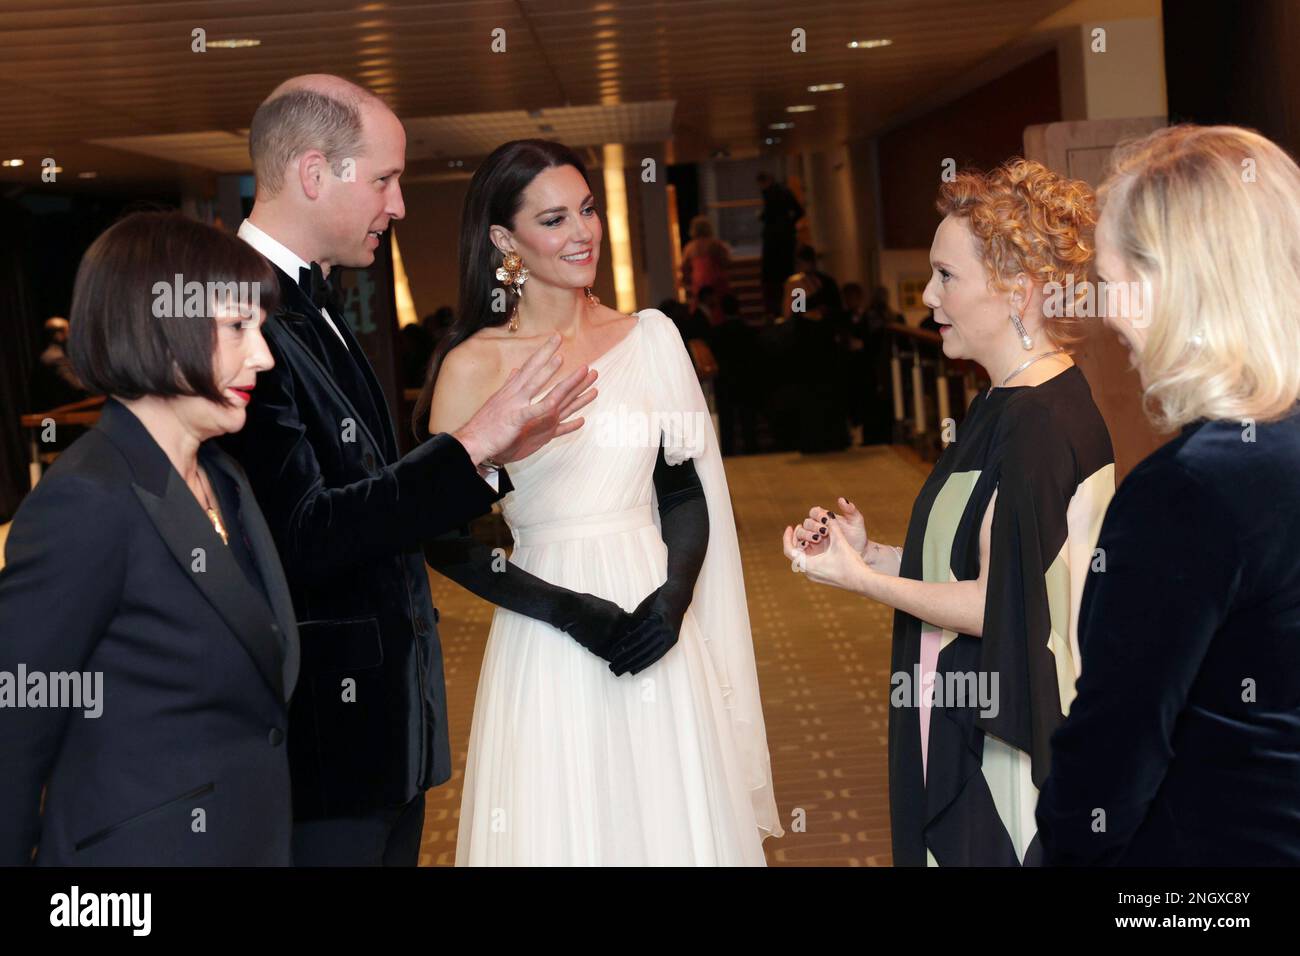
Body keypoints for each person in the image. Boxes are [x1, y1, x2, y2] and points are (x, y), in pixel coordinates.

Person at [219, 76, 603, 867]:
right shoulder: (237, 314)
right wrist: (470, 445)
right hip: (321, 742)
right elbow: (304, 533)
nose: (398, 206)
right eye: (386, 180)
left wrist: (493, 460)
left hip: (384, 736)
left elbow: (373, 491)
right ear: (316, 173)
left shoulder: (316, 299)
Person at [415, 138, 783, 865]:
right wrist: (572, 612)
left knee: (674, 820)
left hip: (657, 621)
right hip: (548, 627)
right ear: (503, 240)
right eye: (553, 220)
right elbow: (443, 536)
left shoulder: (650, 337)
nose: (582, 232)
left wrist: (674, 600)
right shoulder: (473, 365)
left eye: (587, 210)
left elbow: (681, 486)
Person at [783, 159, 1115, 866]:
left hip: (1004, 736)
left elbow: (999, 605)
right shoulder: (1007, 404)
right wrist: (871, 555)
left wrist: (861, 583)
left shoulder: (1037, 425)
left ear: (1017, 292)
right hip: (964, 697)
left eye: (947, 276)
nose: (927, 296)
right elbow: (988, 570)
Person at [1036, 125, 1300, 866]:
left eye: (1111, 282)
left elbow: (1110, 762)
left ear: (1163, 289)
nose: (1110, 316)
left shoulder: (1189, 491)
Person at [0, 212, 297, 865]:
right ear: (162, 332)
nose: (264, 356)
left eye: (262, 329)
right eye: (238, 327)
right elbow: (13, 735)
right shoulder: (87, 501)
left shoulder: (225, 477)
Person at [757, 171, 803, 317]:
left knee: (772, 282)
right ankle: (797, 311)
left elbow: (768, 214)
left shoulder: (769, 194)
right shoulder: (785, 192)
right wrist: (790, 224)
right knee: (790, 277)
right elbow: (799, 211)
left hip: (773, 243)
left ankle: (776, 313)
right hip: (787, 239)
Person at [29, 316, 86, 411]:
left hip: (53, 415)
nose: (70, 336)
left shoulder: (49, 355)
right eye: (67, 331)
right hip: (59, 416)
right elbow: (77, 386)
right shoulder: (56, 358)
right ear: (58, 335)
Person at [681, 214, 730, 312]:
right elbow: (726, 261)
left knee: (700, 309)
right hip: (716, 280)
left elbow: (684, 268)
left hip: (698, 281)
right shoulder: (716, 244)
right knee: (719, 308)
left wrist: (687, 282)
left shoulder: (689, 248)